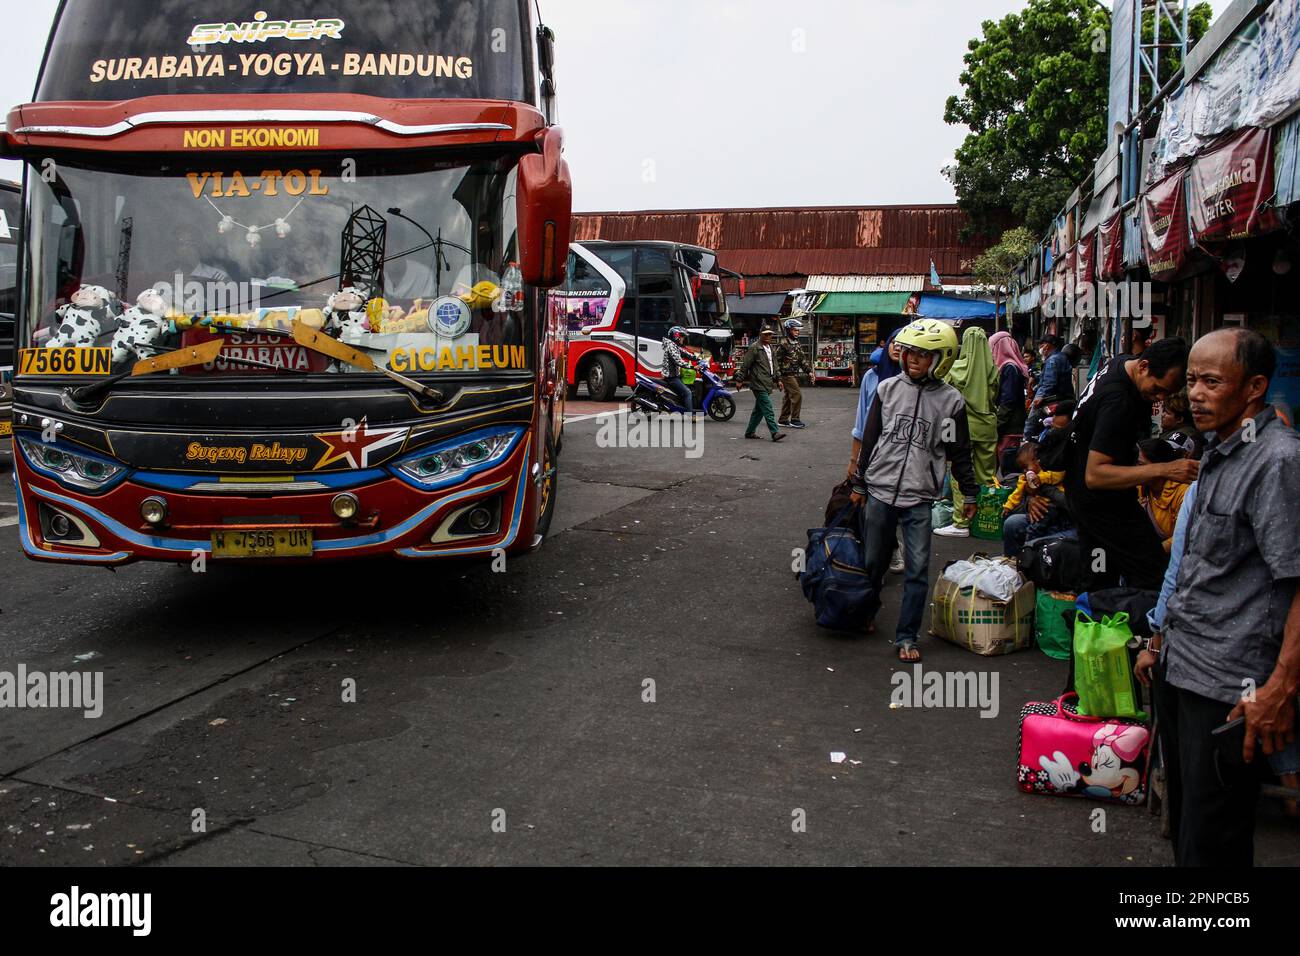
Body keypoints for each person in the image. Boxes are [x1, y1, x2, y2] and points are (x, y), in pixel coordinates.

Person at [1152, 328, 1300, 866]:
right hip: (1184, 668)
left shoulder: (1277, 462)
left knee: (1214, 844)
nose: (1194, 393)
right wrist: (1159, 638)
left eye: (1212, 381)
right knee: (1190, 832)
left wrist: (1280, 687)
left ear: (1255, 386)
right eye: (1191, 380)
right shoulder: (1218, 453)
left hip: (1230, 687)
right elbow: (1200, 569)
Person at [849, 319, 977, 661]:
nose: (912, 360)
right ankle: (866, 613)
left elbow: (959, 451)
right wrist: (859, 482)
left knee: (918, 570)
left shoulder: (951, 403)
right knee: (874, 561)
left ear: (941, 360)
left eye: (922, 355)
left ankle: (907, 636)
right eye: (909, 353)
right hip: (879, 490)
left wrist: (970, 492)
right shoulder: (887, 389)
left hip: (920, 497)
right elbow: (871, 437)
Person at [1064, 337, 1196, 591]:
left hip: (1083, 496)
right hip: (1100, 503)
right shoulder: (1119, 402)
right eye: (1157, 389)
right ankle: (1139, 625)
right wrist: (1166, 469)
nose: (1158, 399)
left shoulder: (1123, 363)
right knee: (1153, 574)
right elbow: (1096, 474)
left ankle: (1096, 622)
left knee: (1099, 575)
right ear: (1144, 366)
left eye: (1167, 394)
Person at [848, 329, 905, 574]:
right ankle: (876, 554)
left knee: (890, 508)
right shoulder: (871, 377)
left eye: (904, 344)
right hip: (872, 452)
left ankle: (890, 549)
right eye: (894, 342)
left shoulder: (913, 379)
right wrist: (854, 460)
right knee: (870, 506)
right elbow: (861, 423)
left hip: (900, 455)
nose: (898, 348)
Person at [935, 327, 998, 538]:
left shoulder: (955, 369)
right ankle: (985, 520)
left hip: (960, 428)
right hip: (987, 427)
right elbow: (994, 398)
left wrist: (944, 436)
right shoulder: (993, 370)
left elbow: (945, 404)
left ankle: (961, 522)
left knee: (959, 473)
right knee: (987, 476)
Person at [1000, 442, 1069, 557]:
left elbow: (1058, 475)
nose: (1025, 471)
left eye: (1026, 467)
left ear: (1038, 461)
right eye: (1022, 468)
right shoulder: (1025, 477)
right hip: (1042, 510)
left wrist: (1040, 483)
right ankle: (1012, 560)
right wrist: (1009, 506)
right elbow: (1017, 493)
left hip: (1059, 511)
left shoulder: (1047, 473)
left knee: (1034, 531)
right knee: (1012, 523)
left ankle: (1028, 550)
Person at [1136, 437, 1193, 553]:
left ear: (1159, 466)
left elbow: (1182, 537)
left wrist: (1150, 554)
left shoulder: (1183, 493)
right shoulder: (1141, 488)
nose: (1134, 470)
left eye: (1140, 464)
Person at [736, 327, 786, 442]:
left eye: (770, 335)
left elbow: (775, 365)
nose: (768, 337)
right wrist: (739, 380)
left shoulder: (771, 348)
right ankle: (774, 432)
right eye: (766, 334)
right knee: (767, 407)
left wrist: (778, 379)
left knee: (758, 411)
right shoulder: (754, 348)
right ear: (760, 335)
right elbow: (745, 365)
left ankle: (749, 432)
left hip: (767, 382)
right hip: (758, 383)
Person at [990, 330, 1028, 440]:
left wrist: (997, 426)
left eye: (992, 347)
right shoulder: (1011, 367)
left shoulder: (1009, 368)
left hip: (1009, 428)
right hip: (1012, 425)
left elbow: (1008, 401)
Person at [776, 318, 812, 428]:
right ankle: (795, 419)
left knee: (788, 396)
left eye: (798, 330)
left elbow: (802, 359)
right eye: (795, 330)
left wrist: (809, 371)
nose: (798, 332)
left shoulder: (796, 343)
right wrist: (777, 378)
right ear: (789, 330)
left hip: (793, 373)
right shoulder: (783, 344)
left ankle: (783, 419)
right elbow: (776, 361)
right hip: (785, 374)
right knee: (797, 394)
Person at [1159, 390, 1205, 459]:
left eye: (1167, 413)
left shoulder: (1186, 437)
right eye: (1163, 411)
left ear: (1179, 419)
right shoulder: (1172, 431)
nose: (1163, 415)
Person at [660, 326, 694, 414]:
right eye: (682, 336)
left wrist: (696, 358)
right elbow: (678, 361)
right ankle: (690, 415)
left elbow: (684, 353)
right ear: (676, 336)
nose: (683, 339)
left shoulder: (674, 345)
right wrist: (693, 367)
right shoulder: (671, 347)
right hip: (671, 377)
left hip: (675, 375)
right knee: (687, 393)